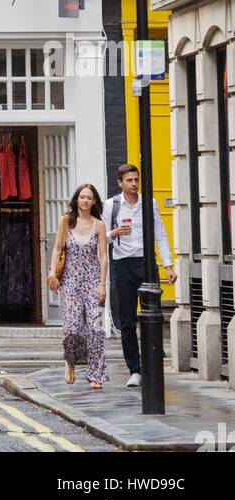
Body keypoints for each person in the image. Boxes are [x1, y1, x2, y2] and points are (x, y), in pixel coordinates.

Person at [102, 163, 176, 388]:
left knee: (151, 315)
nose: (134, 184)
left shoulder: (149, 204)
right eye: (129, 181)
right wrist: (114, 233)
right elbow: (101, 237)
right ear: (120, 183)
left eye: (136, 180)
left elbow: (160, 235)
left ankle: (151, 363)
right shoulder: (111, 206)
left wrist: (168, 265)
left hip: (146, 263)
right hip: (122, 265)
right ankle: (134, 370)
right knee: (127, 319)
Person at [47, 183, 108, 389]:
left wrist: (102, 284)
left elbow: (103, 256)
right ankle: (70, 363)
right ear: (76, 199)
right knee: (72, 326)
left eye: (89, 197)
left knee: (96, 327)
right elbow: (57, 248)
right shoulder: (66, 221)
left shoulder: (99, 224)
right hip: (71, 283)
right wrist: (52, 273)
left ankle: (96, 374)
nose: (85, 200)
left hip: (93, 282)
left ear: (94, 201)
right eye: (82, 197)